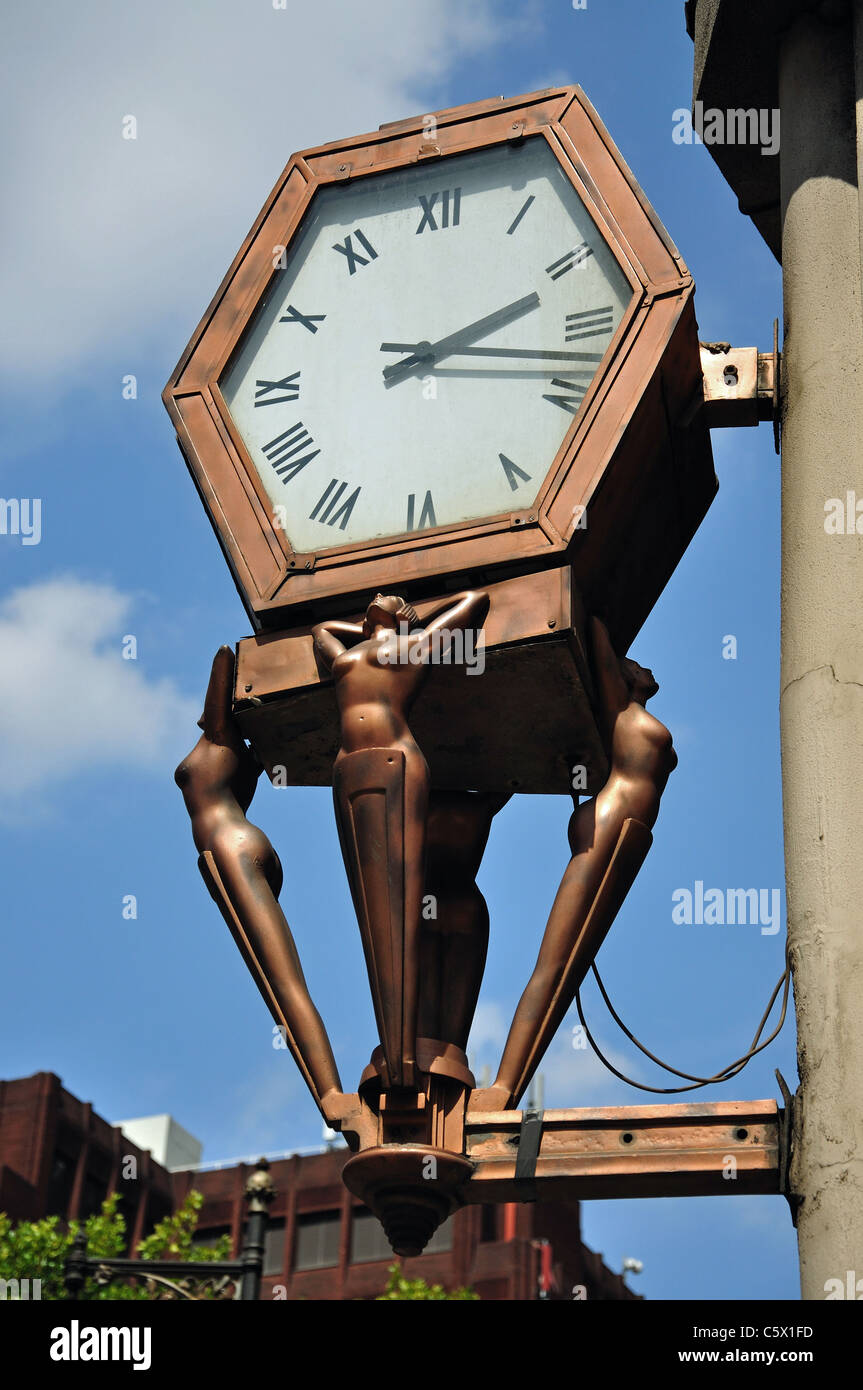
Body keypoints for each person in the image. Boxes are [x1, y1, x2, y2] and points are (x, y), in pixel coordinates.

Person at [475, 616, 678, 1110]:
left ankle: (508, 1080)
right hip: (609, 820)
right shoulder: (619, 709)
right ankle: (505, 1084)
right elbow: (595, 626)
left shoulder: (633, 712)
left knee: (571, 955)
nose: (645, 666)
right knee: (558, 960)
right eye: (634, 663)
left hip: (627, 831)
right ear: (621, 675)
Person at [313, 591, 490, 1088]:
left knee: (403, 881)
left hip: (398, 757)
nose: (376, 596)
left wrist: (415, 618)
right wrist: (375, 624)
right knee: (369, 888)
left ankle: (403, 1051)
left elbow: (476, 603)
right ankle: (399, 1041)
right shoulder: (348, 654)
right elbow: (320, 630)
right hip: (350, 766)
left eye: (385, 598)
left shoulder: (414, 650)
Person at [175, 646, 344, 1120]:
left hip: (229, 846)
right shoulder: (242, 754)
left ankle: (329, 1093)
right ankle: (328, 1088)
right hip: (247, 844)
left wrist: (247, 670)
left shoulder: (219, 736)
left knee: (278, 981)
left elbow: (223, 658)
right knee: (283, 978)